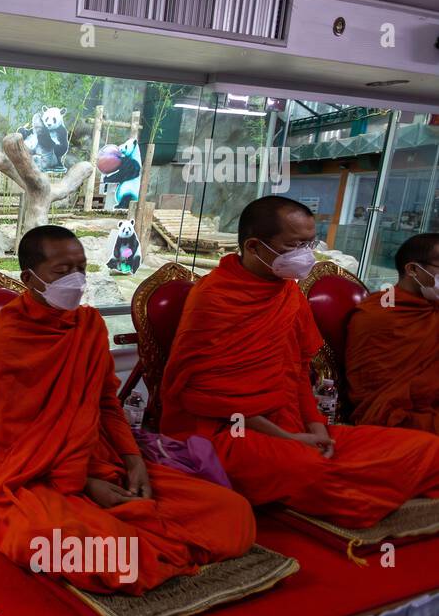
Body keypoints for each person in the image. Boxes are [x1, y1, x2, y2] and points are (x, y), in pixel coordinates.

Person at [0, 225, 255, 595]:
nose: (76, 279)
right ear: (30, 278)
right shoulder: (9, 335)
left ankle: (146, 539)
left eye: (81, 268)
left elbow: (106, 401)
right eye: (62, 271)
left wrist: (133, 460)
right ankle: (145, 543)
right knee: (64, 546)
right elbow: (1, 437)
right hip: (29, 475)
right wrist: (85, 483)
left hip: (100, 459)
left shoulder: (88, 325)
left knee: (233, 513)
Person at [161, 196, 439, 528]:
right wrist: (289, 440)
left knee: (428, 448)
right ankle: (357, 490)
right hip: (226, 432)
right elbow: (208, 400)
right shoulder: (215, 298)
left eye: (310, 242)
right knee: (309, 469)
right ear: (254, 246)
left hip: (291, 423)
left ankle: (354, 488)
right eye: (294, 245)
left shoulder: (288, 295)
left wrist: (317, 429)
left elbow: (295, 374)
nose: (305, 254)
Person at [345, 232, 439, 433]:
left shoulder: (433, 306)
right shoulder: (379, 315)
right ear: (413, 269)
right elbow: (376, 391)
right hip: (402, 415)